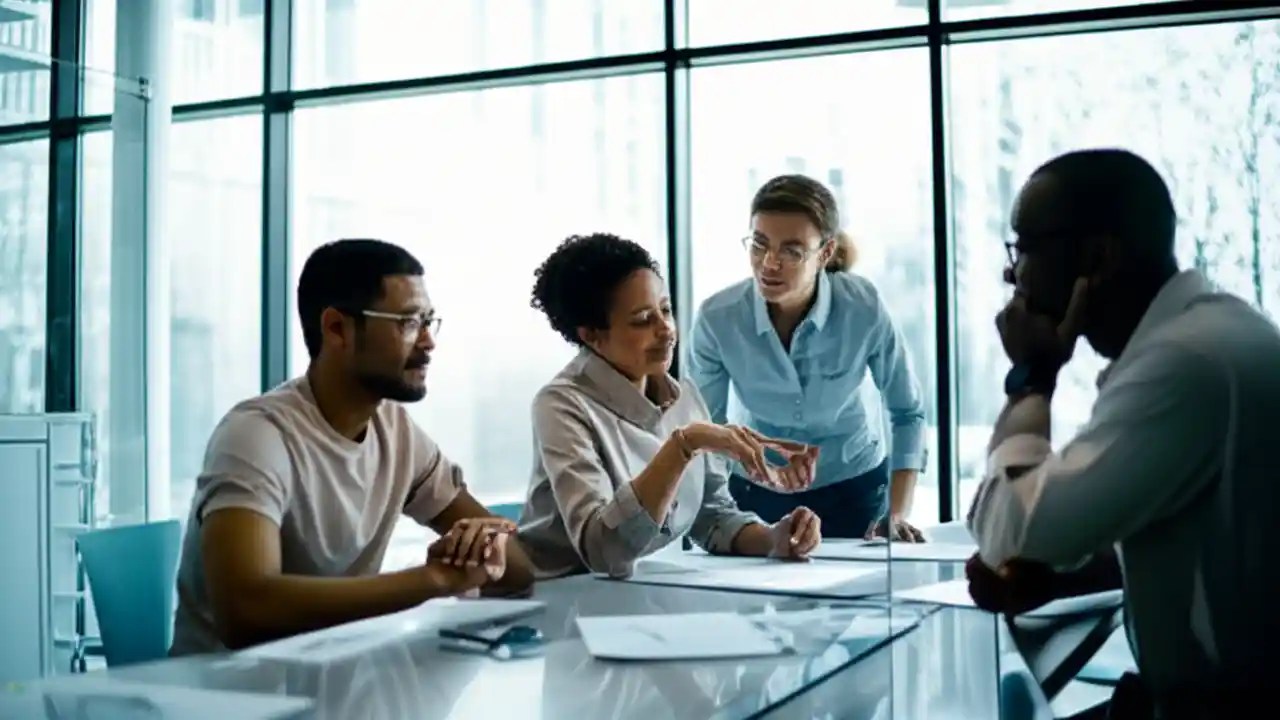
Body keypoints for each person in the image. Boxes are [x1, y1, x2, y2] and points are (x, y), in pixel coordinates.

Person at [965, 149, 1280, 717]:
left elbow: (1009, 535)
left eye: (1026, 247)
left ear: (1098, 257)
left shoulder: (1185, 363)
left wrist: (1031, 380)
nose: (1012, 273)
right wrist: (1065, 576)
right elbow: (1204, 531)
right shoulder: (1211, 333)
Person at [170, 239, 535, 655]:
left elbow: (519, 569)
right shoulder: (256, 436)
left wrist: (483, 546)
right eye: (408, 322)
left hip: (331, 678)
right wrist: (432, 582)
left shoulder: (396, 431)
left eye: (429, 321)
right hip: (226, 695)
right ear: (337, 328)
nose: (429, 342)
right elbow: (245, 612)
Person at [517, 233, 823, 579]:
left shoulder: (683, 396)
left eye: (665, 310)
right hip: (556, 596)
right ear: (590, 335)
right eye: (642, 319)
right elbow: (604, 551)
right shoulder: (560, 405)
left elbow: (712, 516)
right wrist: (682, 446)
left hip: (631, 597)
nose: (666, 330)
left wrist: (773, 538)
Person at [689, 174, 928, 541]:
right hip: (755, 493)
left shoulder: (863, 309)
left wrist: (895, 515)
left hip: (854, 489)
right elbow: (707, 430)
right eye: (759, 244)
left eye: (792, 250)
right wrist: (720, 514)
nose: (769, 263)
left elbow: (907, 412)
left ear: (826, 253)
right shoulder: (717, 320)